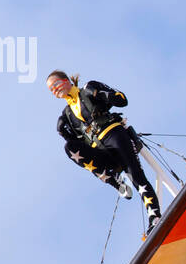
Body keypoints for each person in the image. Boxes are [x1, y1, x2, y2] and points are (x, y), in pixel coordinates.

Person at [48, 70, 161, 235]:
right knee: (69, 148)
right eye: (51, 89)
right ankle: (115, 181)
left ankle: (155, 216)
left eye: (56, 84)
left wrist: (99, 94)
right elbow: (77, 145)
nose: (55, 90)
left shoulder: (87, 88)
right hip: (101, 151)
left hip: (114, 135)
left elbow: (122, 100)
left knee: (136, 176)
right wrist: (64, 133)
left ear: (66, 81)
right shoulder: (67, 115)